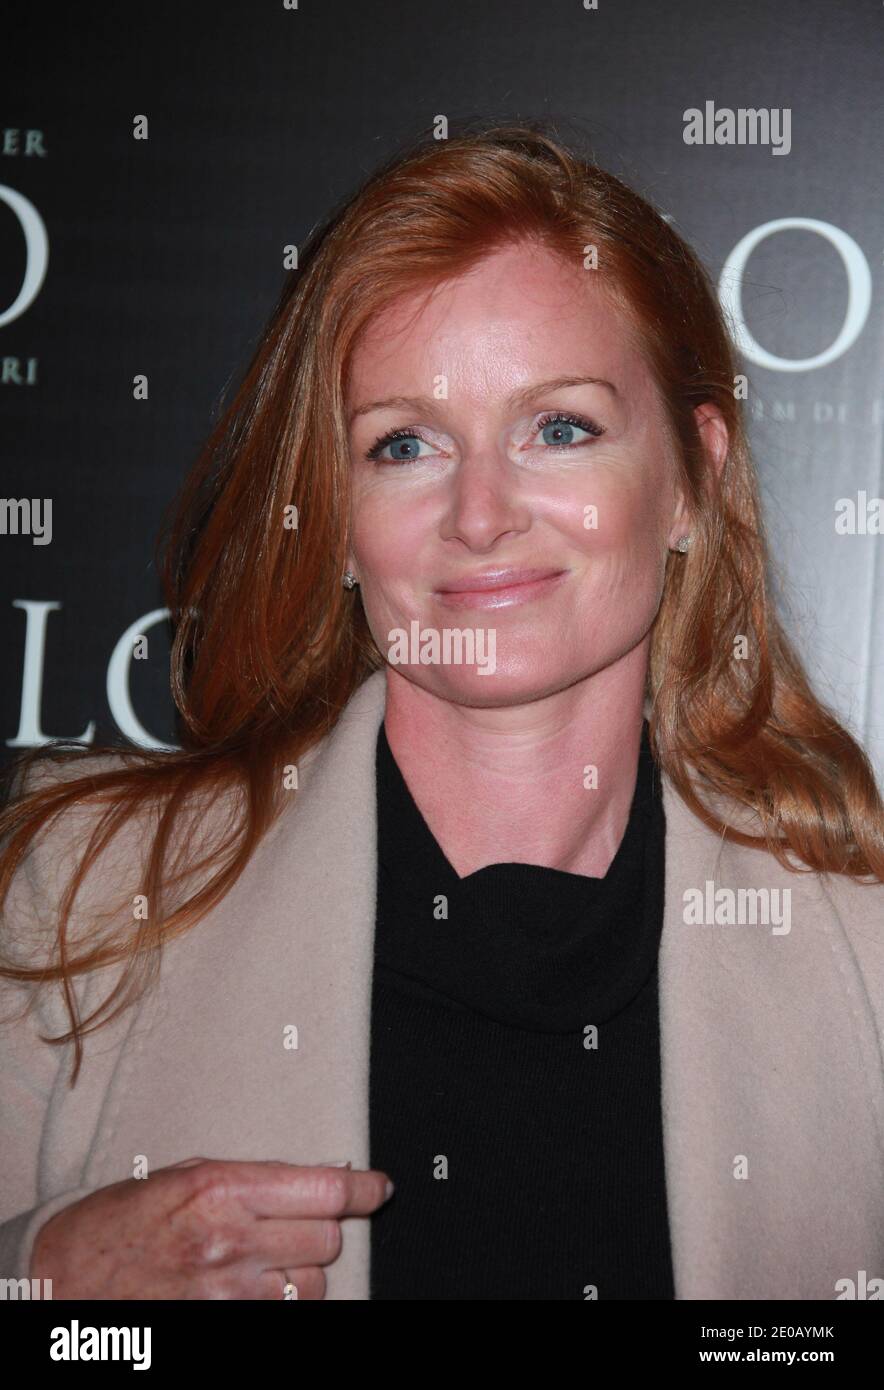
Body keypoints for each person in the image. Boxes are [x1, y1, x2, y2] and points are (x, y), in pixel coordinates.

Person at [1, 122, 882, 1302]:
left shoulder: (861, 943)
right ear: (336, 514)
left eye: (557, 427)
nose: (479, 513)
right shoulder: (81, 893)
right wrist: (51, 1290)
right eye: (403, 443)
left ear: (688, 476)